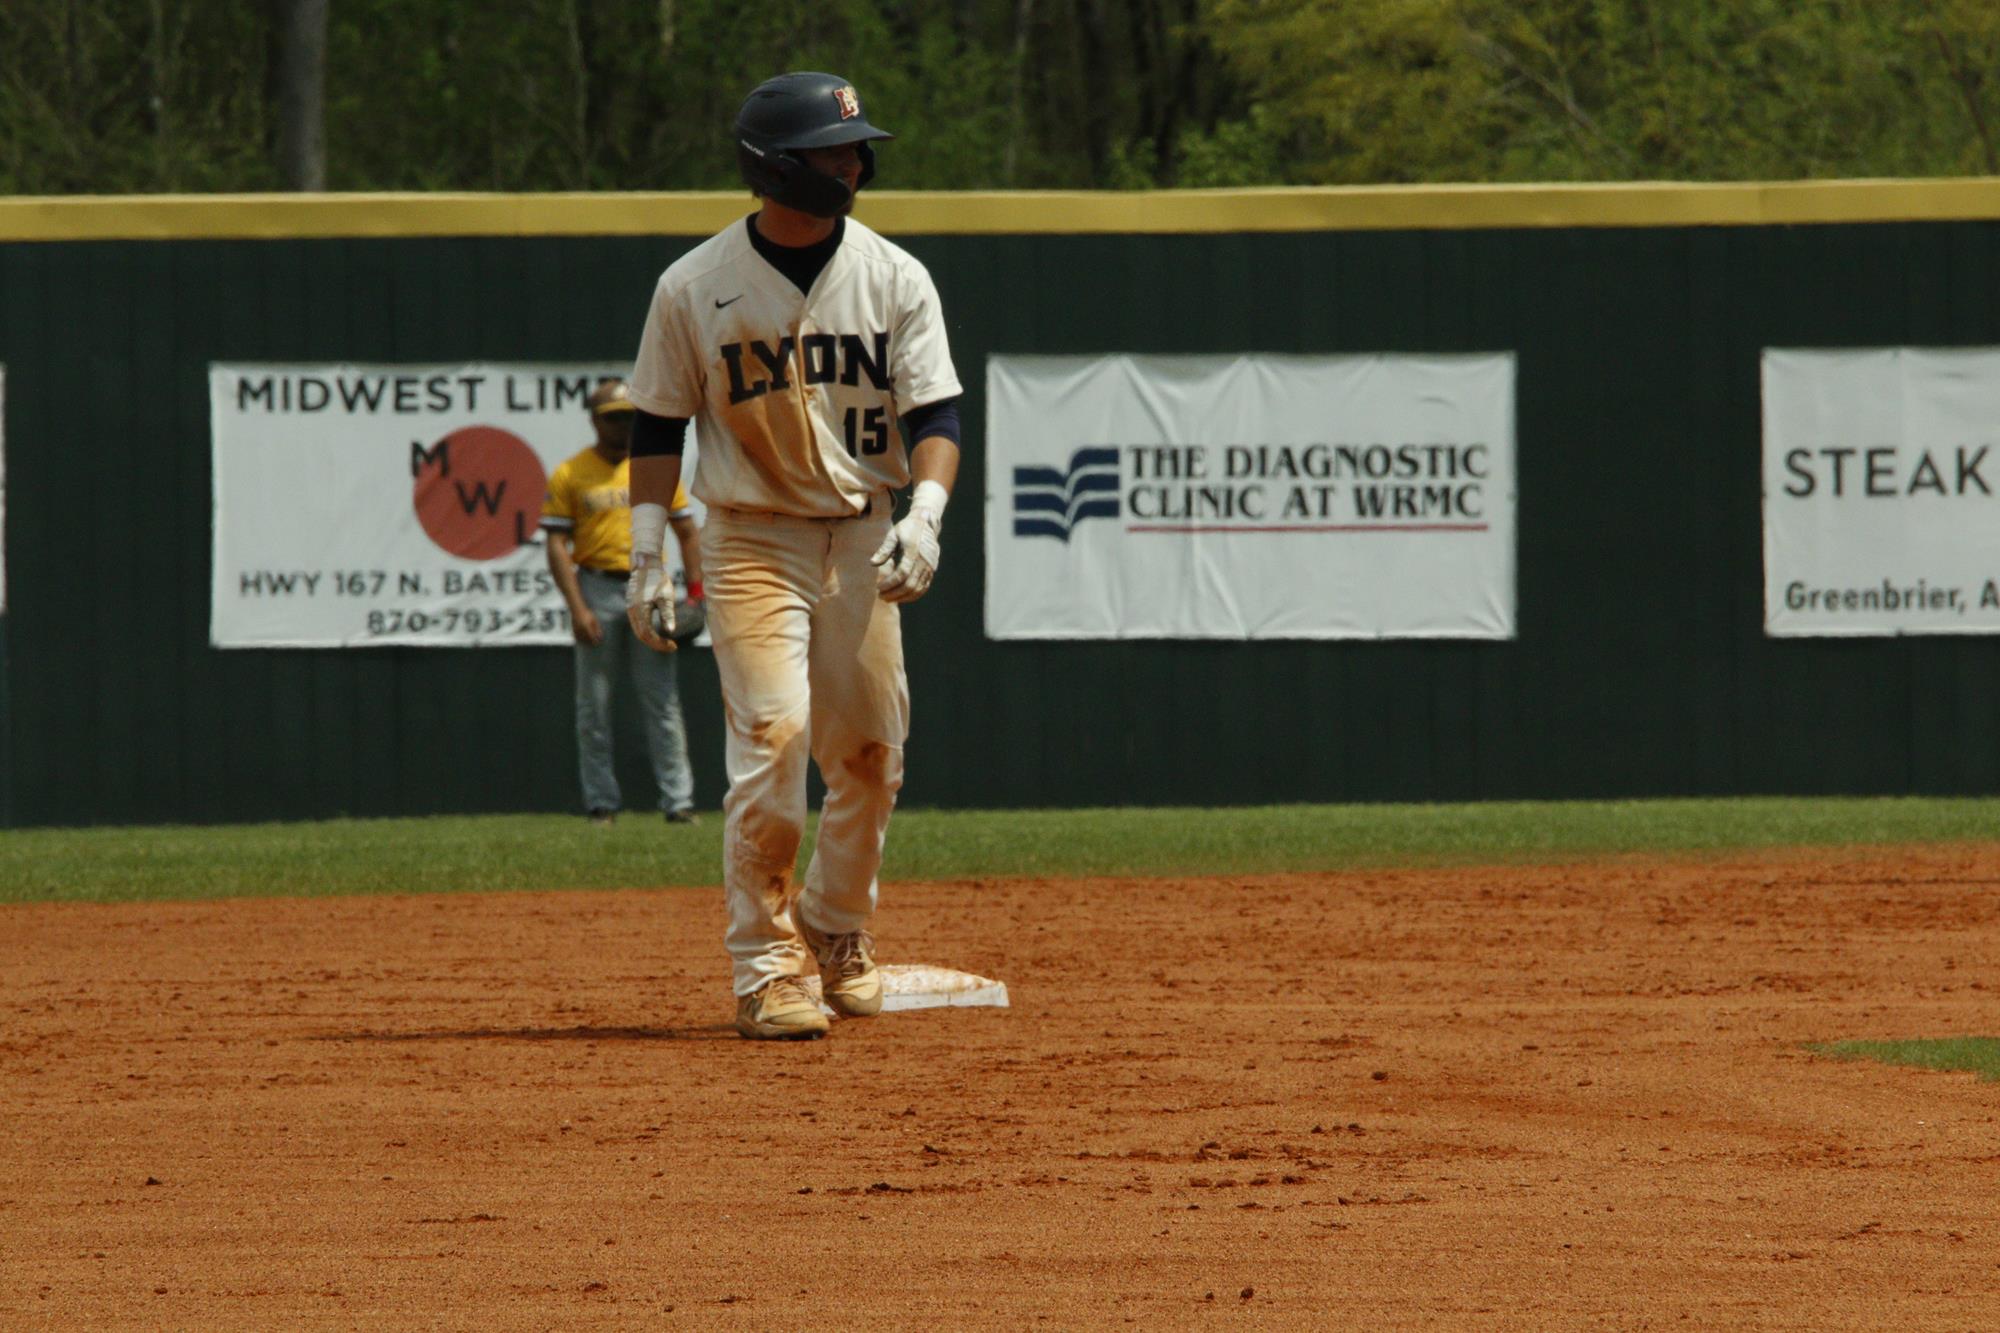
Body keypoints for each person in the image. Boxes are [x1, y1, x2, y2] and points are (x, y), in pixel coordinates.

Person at [622, 71, 963, 1040]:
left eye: (856, 148)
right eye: (832, 150)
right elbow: (656, 425)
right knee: (772, 737)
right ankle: (767, 965)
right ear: (775, 167)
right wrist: (649, 553)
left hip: (861, 529)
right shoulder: (693, 285)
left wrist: (926, 512)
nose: (855, 163)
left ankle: (835, 927)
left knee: (869, 755)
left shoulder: (894, 276)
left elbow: (934, 413)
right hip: (747, 537)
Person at [541, 378, 704, 827]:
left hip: (650, 587)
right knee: (593, 705)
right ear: (595, 420)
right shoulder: (571, 473)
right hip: (595, 586)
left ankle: (678, 802)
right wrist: (577, 608)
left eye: (629, 417)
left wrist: (696, 594)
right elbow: (556, 543)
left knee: (662, 702)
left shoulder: (655, 467)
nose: (623, 426)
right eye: (613, 418)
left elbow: (688, 532)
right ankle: (601, 804)